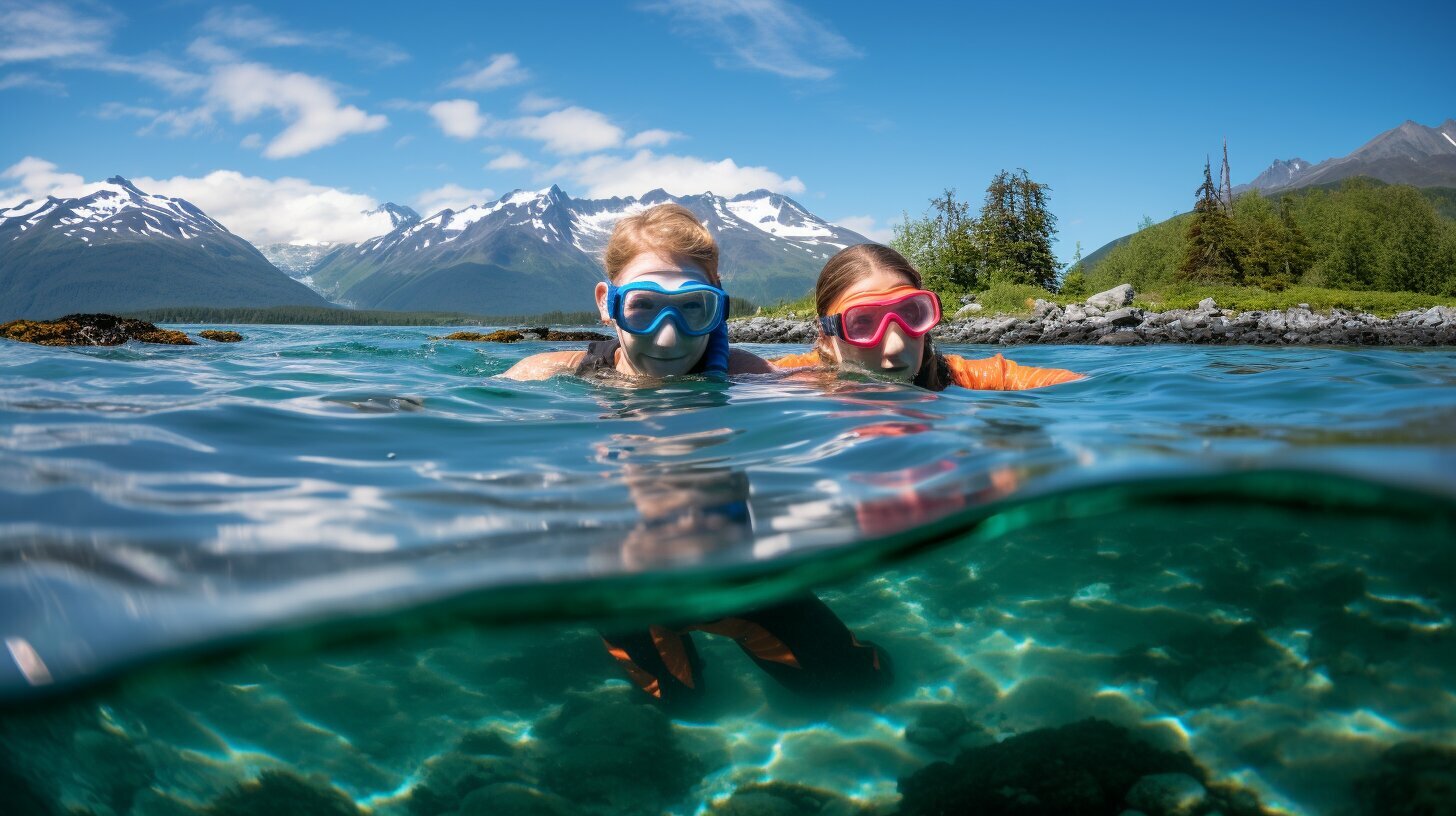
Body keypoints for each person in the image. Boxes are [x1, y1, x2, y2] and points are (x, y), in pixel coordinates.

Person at [502, 203, 772, 381]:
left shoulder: (754, 375)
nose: (667, 340)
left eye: (692, 306)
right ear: (606, 303)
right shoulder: (537, 372)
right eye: (643, 305)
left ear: (718, 310)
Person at [773, 243, 1084, 390]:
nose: (895, 345)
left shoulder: (957, 375)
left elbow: (1076, 387)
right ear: (827, 336)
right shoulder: (795, 376)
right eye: (863, 322)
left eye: (911, 313)